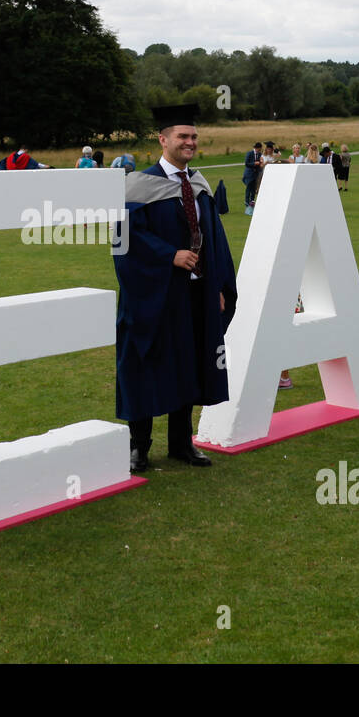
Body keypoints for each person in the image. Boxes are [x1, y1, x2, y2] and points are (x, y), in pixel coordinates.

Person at [114, 123, 237, 473]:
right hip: (153, 292)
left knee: (190, 363)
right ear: (163, 140)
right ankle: (138, 447)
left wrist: (217, 285)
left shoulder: (199, 186)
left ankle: (181, 444)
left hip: (196, 292)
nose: (190, 143)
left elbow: (214, 240)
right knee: (145, 360)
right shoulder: (137, 186)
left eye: (194, 137)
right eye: (183, 137)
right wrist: (169, 255)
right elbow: (122, 240)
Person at [242, 142, 263, 212]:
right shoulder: (249, 153)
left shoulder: (260, 154)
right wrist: (254, 163)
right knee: (248, 188)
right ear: (256, 148)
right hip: (249, 174)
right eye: (259, 149)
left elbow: (260, 164)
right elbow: (246, 163)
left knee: (254, 190)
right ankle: (247, 202)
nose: (259, 150)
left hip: (256, 175)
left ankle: (252, 202)